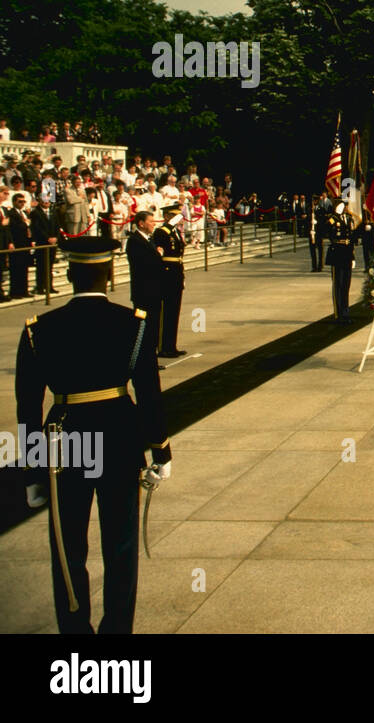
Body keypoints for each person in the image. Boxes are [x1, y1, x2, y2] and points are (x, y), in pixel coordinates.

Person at [15, 235, 173, 633]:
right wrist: (161, 451)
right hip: (120, 435)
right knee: (120, 545)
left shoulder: (38, 329)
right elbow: (149, 394)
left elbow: (27, 407)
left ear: (67, 274)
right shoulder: (134, 324)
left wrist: (34, 472)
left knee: (67, 546)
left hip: (66, 441)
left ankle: (74, 629)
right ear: (109, 276)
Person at [126, 211, 163, 367]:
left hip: (153, 291)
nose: (153, 223)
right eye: (150, 221)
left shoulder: (149, 239)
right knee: (144, 328)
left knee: (153, 327)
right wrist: (158, 254)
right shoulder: (135, 241)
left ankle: (151, 359)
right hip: (143, 293)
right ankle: (144, 361)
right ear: (141, 223)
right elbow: (143, 265)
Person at [152, 203, 187, 357]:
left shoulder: (176, 232)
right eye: (174, 215)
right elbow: (159, 254)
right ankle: (163, 347)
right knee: (165, 313)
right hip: (167, 275)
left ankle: (171, 345)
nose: (177, 218)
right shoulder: (161, 232)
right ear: (166, 217)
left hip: (176, 274)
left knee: (174, 311)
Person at [322, 201, 356, 323]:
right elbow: (325, 228)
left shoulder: (348, 218)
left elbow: (351, 238)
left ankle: (345, 312)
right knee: (338, 285)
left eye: (347, 206)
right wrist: (335, 215)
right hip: (337, 253)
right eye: (344, 206)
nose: (346, 208)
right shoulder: (333, 219)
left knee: (346, 285)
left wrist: (353, 257)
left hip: (347, 254)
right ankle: (338, 314)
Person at [31, 193, 59, 295]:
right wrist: (47, 238)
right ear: (40, 201)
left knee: (49, 266)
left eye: (48, 200)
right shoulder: (35, 213)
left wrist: (56, 237)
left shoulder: (53, 212)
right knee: (41, 266)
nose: (46, 202)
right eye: (44, 200)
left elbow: (57, 225)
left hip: (52, 244)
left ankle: (49, 286)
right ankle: (40, 287)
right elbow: (37, 228)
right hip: (42, 242)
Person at [7, 191, 33, 299]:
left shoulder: (24, 213)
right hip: (17, 244)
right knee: (16, 269)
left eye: (24, 201)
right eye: (20, 201)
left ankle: (24, 290)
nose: (22, 203)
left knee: (24, 269)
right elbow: (15, 227)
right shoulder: (12, 213)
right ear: (14, 202)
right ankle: (15, 292)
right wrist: (25, 223)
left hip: (25, 245)